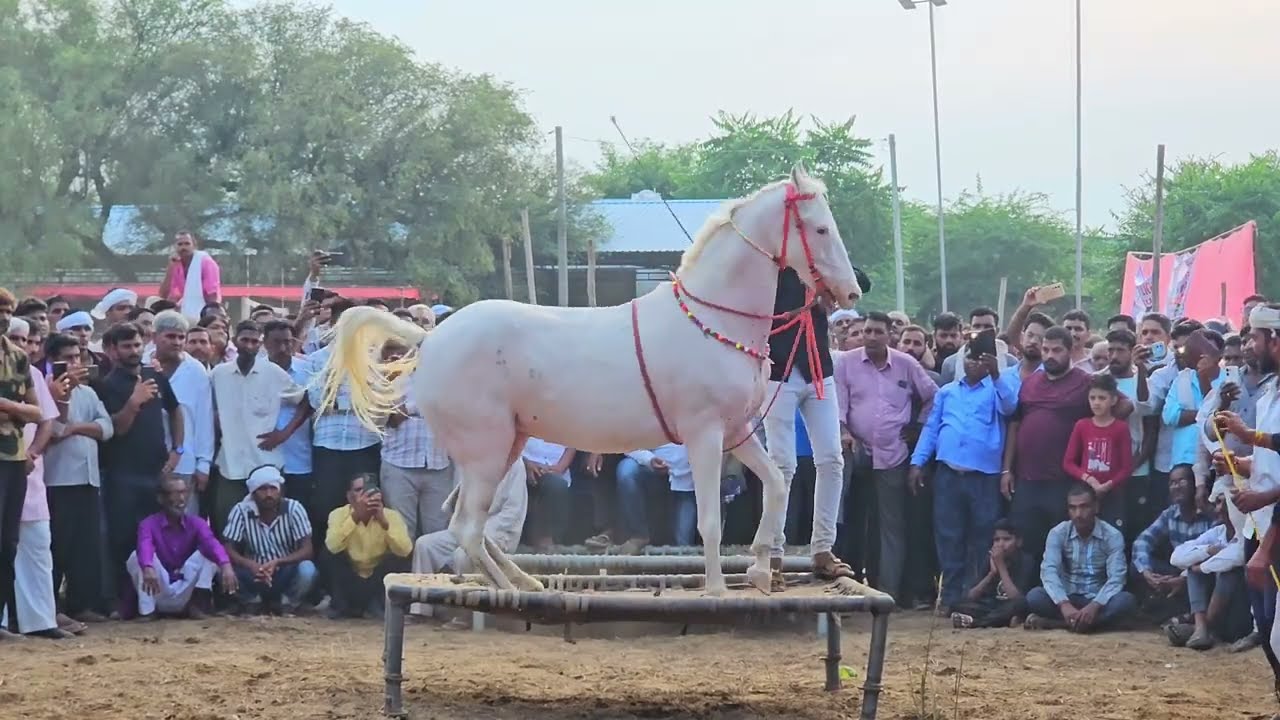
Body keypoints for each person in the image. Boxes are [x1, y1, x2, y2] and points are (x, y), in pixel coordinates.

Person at [910, 349, 1016, 608]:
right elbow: (932, 428)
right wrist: (917, 462)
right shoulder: (947, 391)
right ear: (961, 361)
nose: (973, 362)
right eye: (969, 357)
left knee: (982, 536)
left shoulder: (997, 389)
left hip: (984, 476)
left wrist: (996, 375)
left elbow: (1011, 407)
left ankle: (977, 596)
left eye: (980, 358)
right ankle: (950, 597)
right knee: (948, 535)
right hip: (948, 474)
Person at [42, 333, 113, 622]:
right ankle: (51, 607)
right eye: (67, 358)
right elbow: (55, 432)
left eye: (76, 357)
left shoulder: (89, 392)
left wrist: (76, 428)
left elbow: (107, 428)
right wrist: (66, 412)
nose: (74, 363)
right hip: (58, 480)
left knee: (86, 545)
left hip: (88, 478)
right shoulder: (48, 391)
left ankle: (81, 604)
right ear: (52, 361)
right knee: (59, 544)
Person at [410, 460, 528, 617]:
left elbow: (512, 513)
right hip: (466, 528)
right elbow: (457, 501)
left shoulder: (515, 464)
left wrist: (478, 532)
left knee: (464, 555)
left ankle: (463, 616)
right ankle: (421, 611)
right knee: (425, 545)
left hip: (498, 534)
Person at [1025, 483, 1137, 632]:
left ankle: (1057, 624)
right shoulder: (1058, 533)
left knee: (1126, 601)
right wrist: (1064, 604)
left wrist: (1095, 605)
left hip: (1097, 599)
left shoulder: (1112, 535)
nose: (1078, 513)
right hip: (1067, 596)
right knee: (1035, 597)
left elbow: (1116, 578)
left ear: (1096, 507)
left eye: (1084, 507)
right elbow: (1049, 571)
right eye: (1073, 508)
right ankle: (1089, 624)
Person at [126, 476, 237, 620]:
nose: (181, 498)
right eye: (175, 493)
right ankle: (148, 611)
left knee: (210, 555)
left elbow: (211, 543)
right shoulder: (148, 524)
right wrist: (147, 567)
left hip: (185, 591)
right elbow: (144, 545)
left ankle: (198, 605)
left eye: (184, 493)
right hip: (157, 588)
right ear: (161, 498)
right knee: (137, 557)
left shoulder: (197, 523)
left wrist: (226, 565)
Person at [221, 465, 317, 614]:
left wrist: (278, 562)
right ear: (253, 493)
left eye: (273, 488)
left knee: (307, 569)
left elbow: (307, 550)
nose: (268, 494)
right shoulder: (241, 510)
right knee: (222, 568)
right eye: (262, 489)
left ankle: (288, 603)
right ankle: (251, 602)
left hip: (284, 571)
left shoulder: (294, 508)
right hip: (253, 574)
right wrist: (250, 564)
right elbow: (228, 548)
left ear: (280, 490)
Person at [1166, 489, 1251, 650]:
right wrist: (1208, 551)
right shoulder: (1218, 532)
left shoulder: (1247, 532)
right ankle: (1200, 629)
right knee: (1193, 564)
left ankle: (1201, 628)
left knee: (1229, 572)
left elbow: (1235, 557)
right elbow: (1176, 557)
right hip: (1220, 612)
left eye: (1221, 503)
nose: (1217, 509)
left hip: (1240, 617)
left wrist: (1202, 567)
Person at [324, 473, 412, 618]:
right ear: (349, 496)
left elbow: (405, 551)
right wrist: (355, 517)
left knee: (397, 557)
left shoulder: (391, 516)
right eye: (359, 490)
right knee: (329, 554)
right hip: (349, 577)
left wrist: (384, 523)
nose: (365, 494)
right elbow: (332, 547)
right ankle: (340, 605)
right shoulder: (338, 514)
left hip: (376, 579)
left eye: (369, 489)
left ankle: (378, 604)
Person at [1062, 374, 1134, 526]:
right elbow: (1068, 462)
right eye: (1092, 398)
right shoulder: (1082, 426)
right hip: (1085, 493)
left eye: (1102, 398)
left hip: (1112, 493)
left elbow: (1126, 467)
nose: (1096, 403)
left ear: (1113, 400)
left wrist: (1107, 485)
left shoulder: (1120, 428)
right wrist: (1088, 479)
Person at [950, 520, 1035, 629]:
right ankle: (1003, 621)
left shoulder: (1026, 561)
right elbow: (971, 596)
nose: (1001, 544)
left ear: (1018, 542)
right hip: (991, 606)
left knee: (1018, 606)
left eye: (1007, 539)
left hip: (1010, 605)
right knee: (956, 604)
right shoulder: (989, 559)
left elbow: (1016, 597)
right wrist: (991, 574)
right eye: (996, 540)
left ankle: (975, 623)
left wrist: (1001, 567)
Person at [158, 231, 222, 321]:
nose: (183, 247)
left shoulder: (205, 262)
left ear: (194, 246)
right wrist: (170, 268)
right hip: (183, 315)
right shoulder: (176, 264)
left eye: (187, 244)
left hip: (205, 314)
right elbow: (164, 295)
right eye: (180, 244)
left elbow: (212, 294)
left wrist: (211, 318)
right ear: (175, 247)